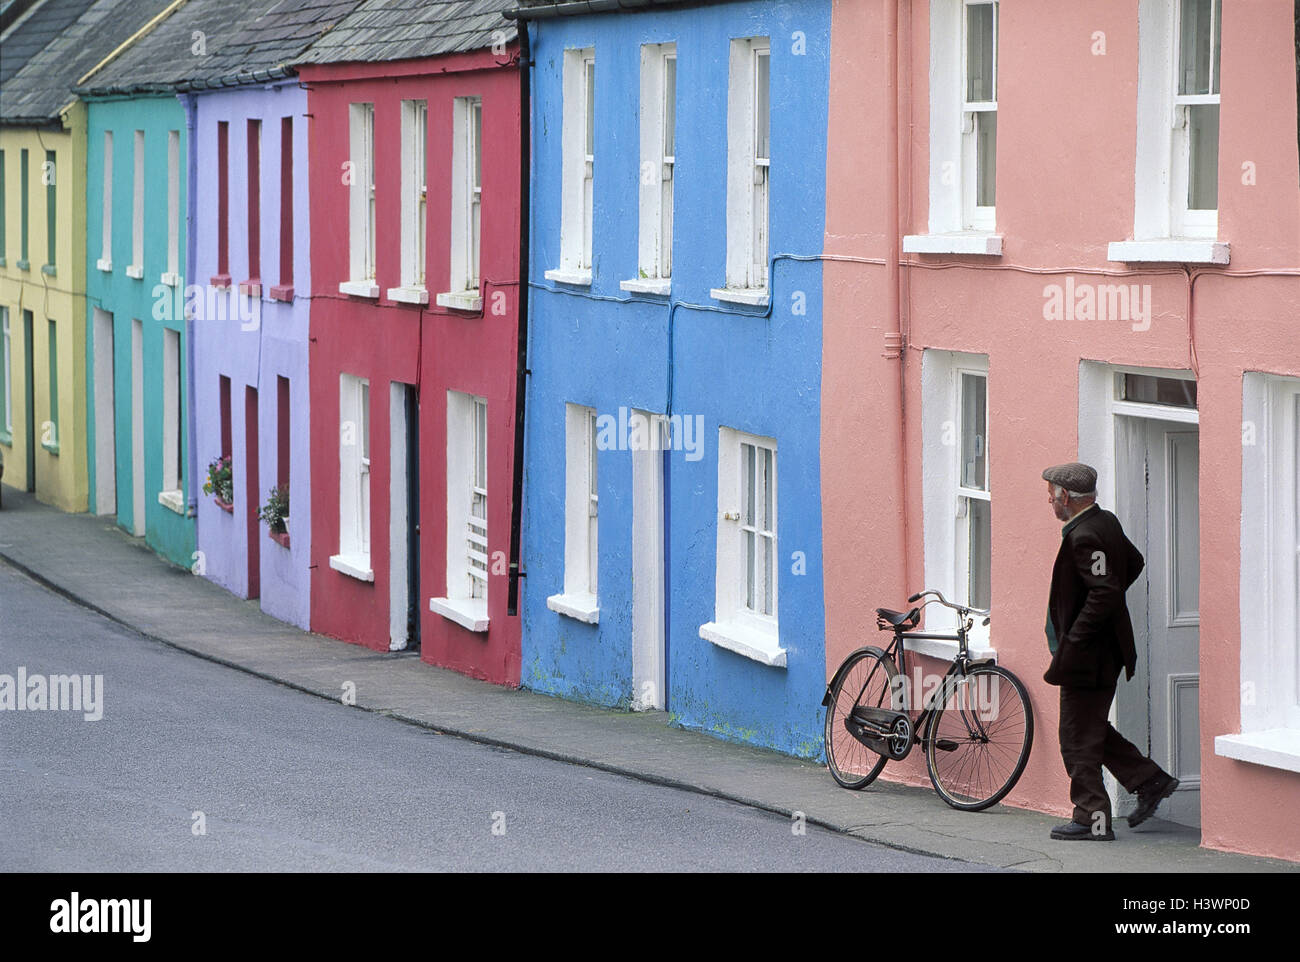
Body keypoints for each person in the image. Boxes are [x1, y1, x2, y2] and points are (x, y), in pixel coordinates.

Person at [1041, 461, 1178, 841]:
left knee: (1075, 736)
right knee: (1090, 729)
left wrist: (1076, 638)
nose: (1049, 501)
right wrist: (1106, 602)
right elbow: (1131, 564)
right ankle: (1150, 781)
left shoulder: (1084, 535)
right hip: (1104, 652)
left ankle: (1092, 819)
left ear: (1065, 497)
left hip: (1089, 657)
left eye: (1051, 495)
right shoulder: (1106, 522)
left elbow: (1104, 590)